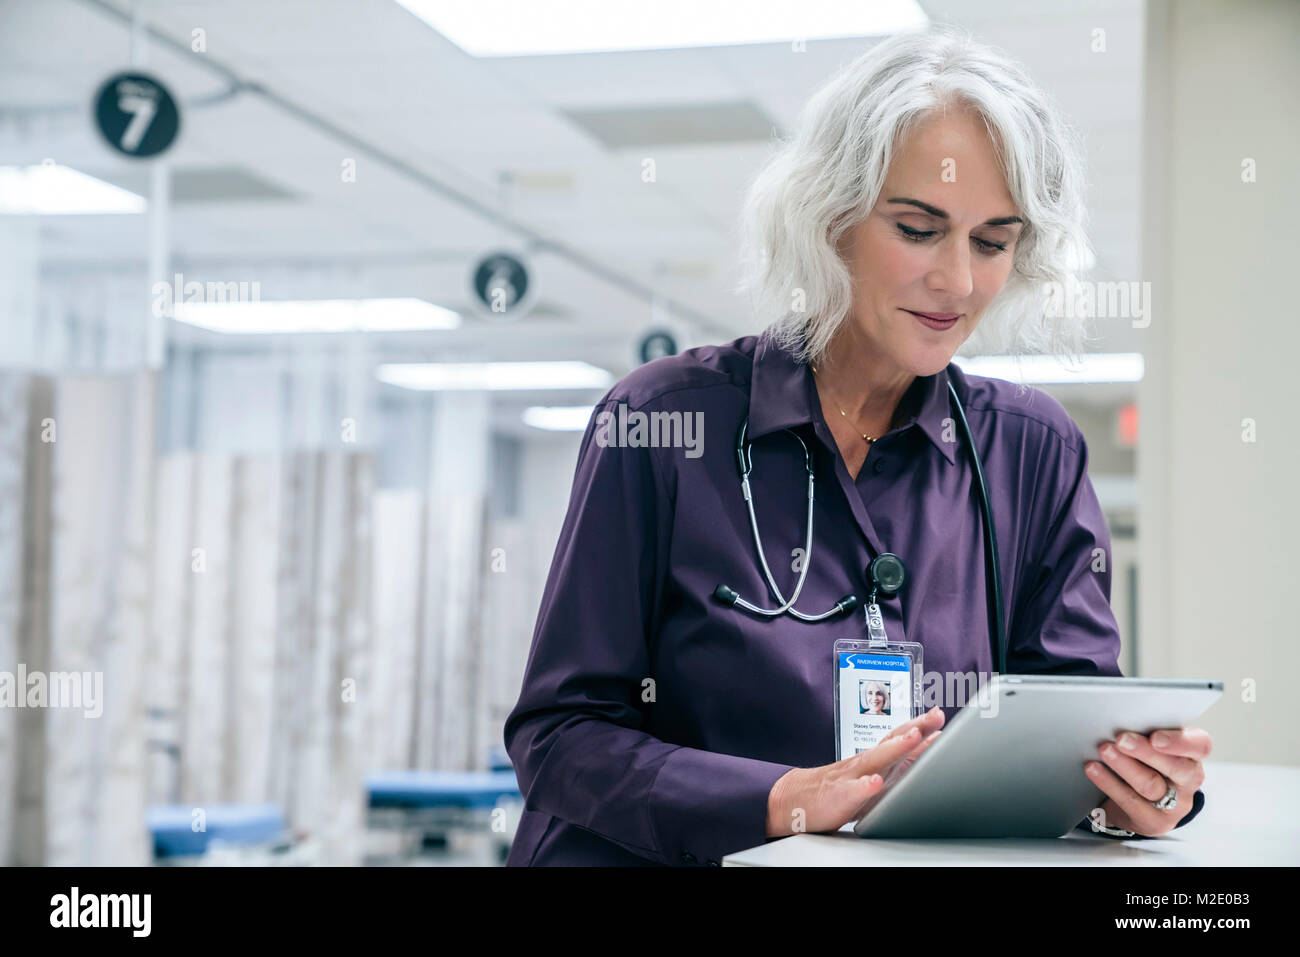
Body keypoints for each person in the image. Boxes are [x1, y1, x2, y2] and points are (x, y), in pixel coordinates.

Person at [503, 25, 1210, 867]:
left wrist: (1138, 789)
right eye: (918, 229)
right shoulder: (662, 426)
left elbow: (1073, 718)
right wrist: (769, 800)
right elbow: (559, 735)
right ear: (829, 215)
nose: (958, 280)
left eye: (992, 241)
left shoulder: (1032, 452)